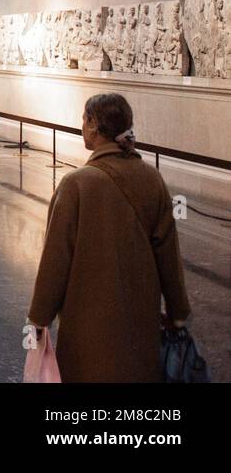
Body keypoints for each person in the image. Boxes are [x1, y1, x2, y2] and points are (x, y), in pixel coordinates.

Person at [27, 93, 191, 382]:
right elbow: (168, 254)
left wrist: (40, 317)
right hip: (140, 324)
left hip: (86, 328)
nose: (81, 126)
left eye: (83, 119)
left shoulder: (76, 184)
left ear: (93, 125)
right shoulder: (152, 179)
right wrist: (178, 311)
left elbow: (56, 260)